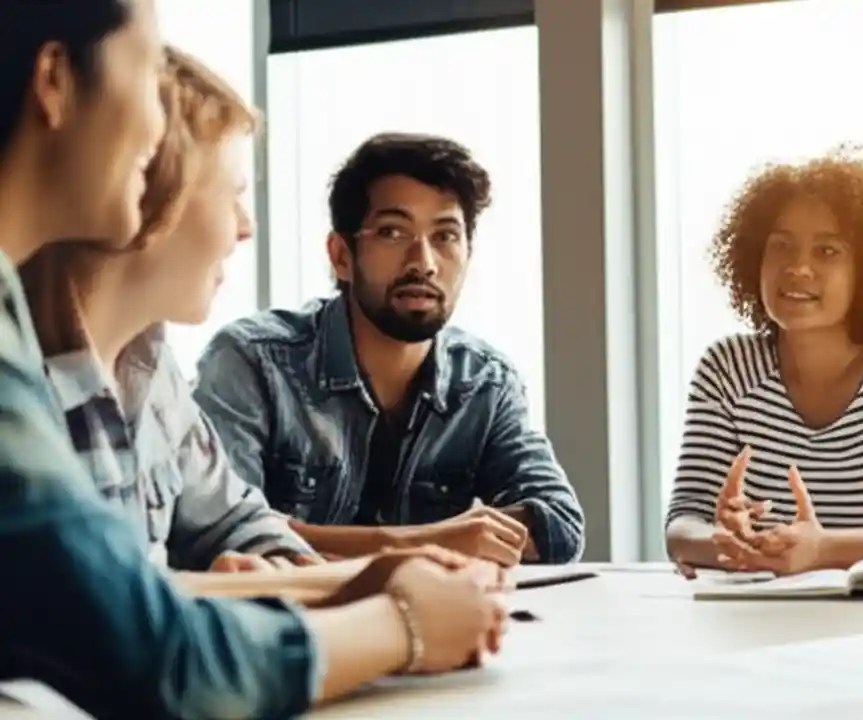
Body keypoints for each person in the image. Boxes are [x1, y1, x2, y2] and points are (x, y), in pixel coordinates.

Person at [0, 5, 502, 717]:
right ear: (54, 80)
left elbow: (124, 594)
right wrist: (402, 623)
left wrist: (340, 581)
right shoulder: (33, 362)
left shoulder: (140, 366)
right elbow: (150, 655)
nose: (247, 227)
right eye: (145, 72)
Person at [194, 133, 585, 566]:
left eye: (446, 236)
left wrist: (462, 539)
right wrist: (426, 544)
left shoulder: (485, 382)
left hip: (438, 625)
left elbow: (557, 523)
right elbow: (222, 529)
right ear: (341, 255)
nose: (424, 262)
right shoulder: (253, 361)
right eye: (393, 232)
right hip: (286, 625)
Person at [20, 45, 316, 572]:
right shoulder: (19, 386)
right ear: (153, 193)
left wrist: (274, 564)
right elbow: (85, 625)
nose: (246, 227)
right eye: (232, 196)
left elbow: (233, 522)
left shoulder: (154, 370)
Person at [664, 146, 863, 576]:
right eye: (781, 247)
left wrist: (822, 549)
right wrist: (725, 539)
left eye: (827, 251)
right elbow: (683, 522)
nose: (798, 268)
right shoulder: (727, 368)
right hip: (758, 618)